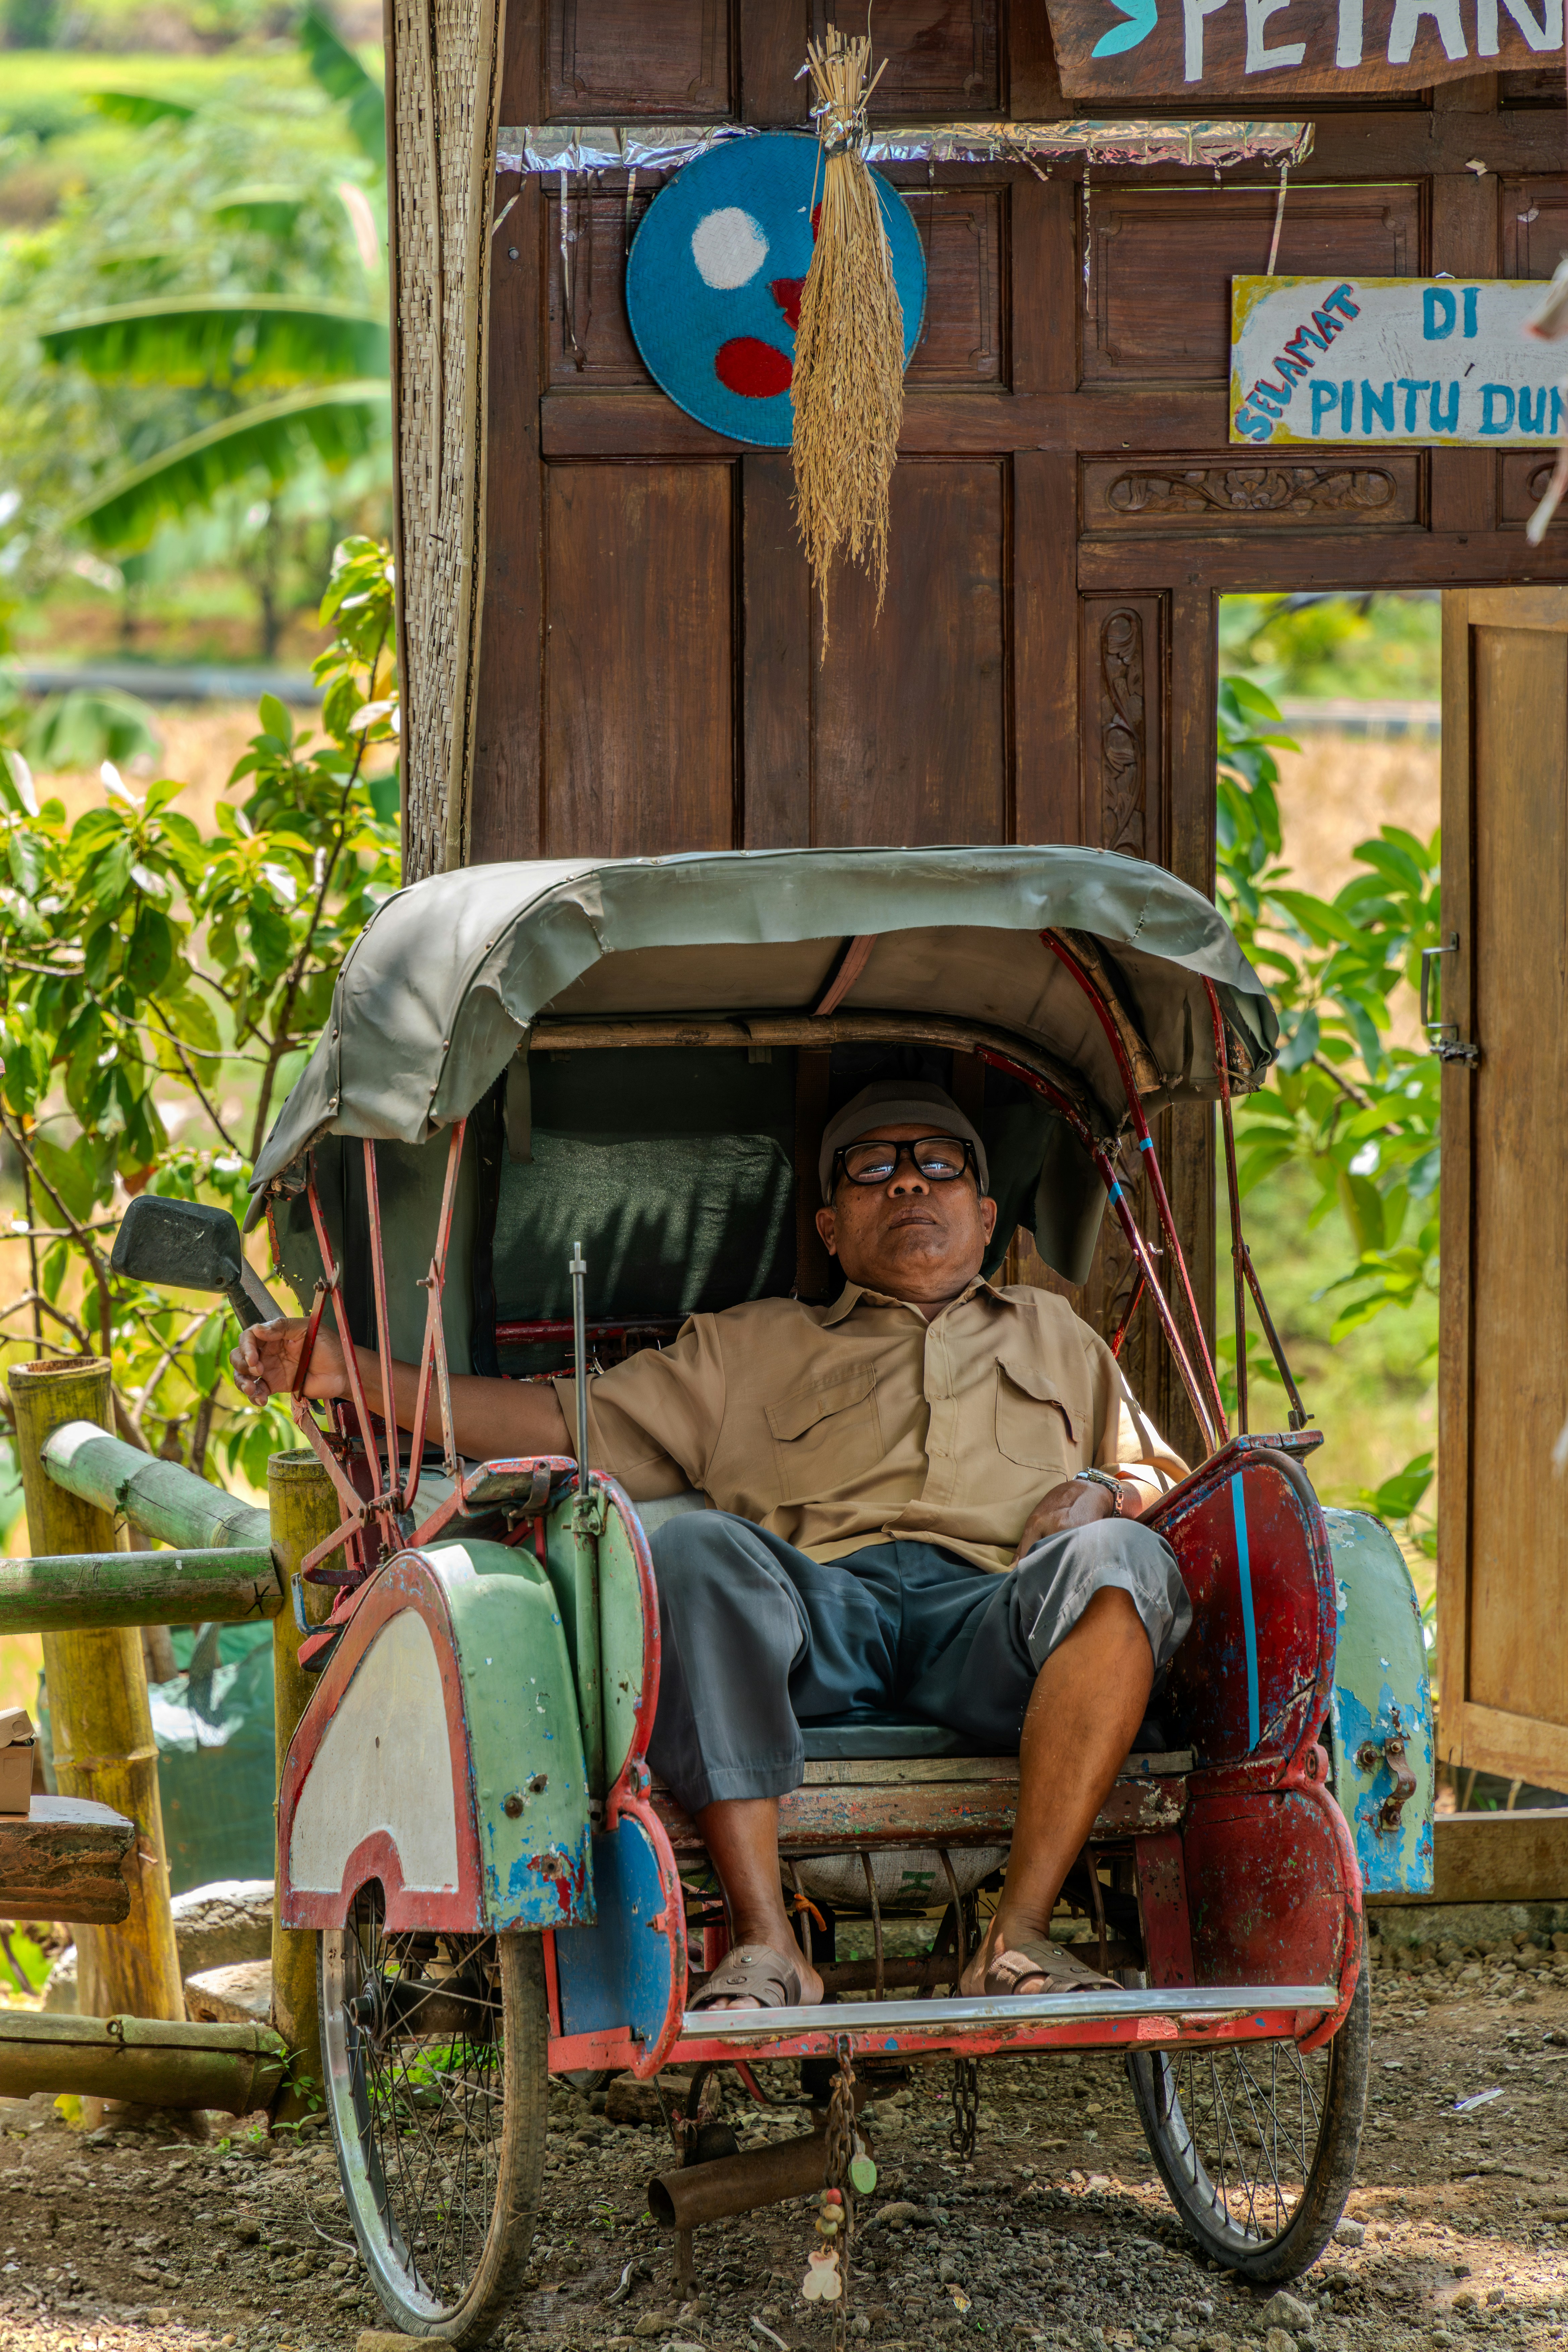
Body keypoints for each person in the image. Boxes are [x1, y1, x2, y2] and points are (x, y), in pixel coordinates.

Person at [232, 1081, 1190, 2012]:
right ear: (829, 1229)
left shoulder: (1058, 1336)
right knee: (690, 1549)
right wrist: (346, 1370)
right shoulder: (749, 1347)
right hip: (823, 1617)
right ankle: (769, 1943)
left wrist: (1106, 1490)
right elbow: (555, 1422)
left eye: (941, 1164)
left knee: (1127, 1561)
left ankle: (1018, 1935)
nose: (908, 1181)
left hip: (998, 1616)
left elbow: (1164, 1477)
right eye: (871, 1167)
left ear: (985, 1218)